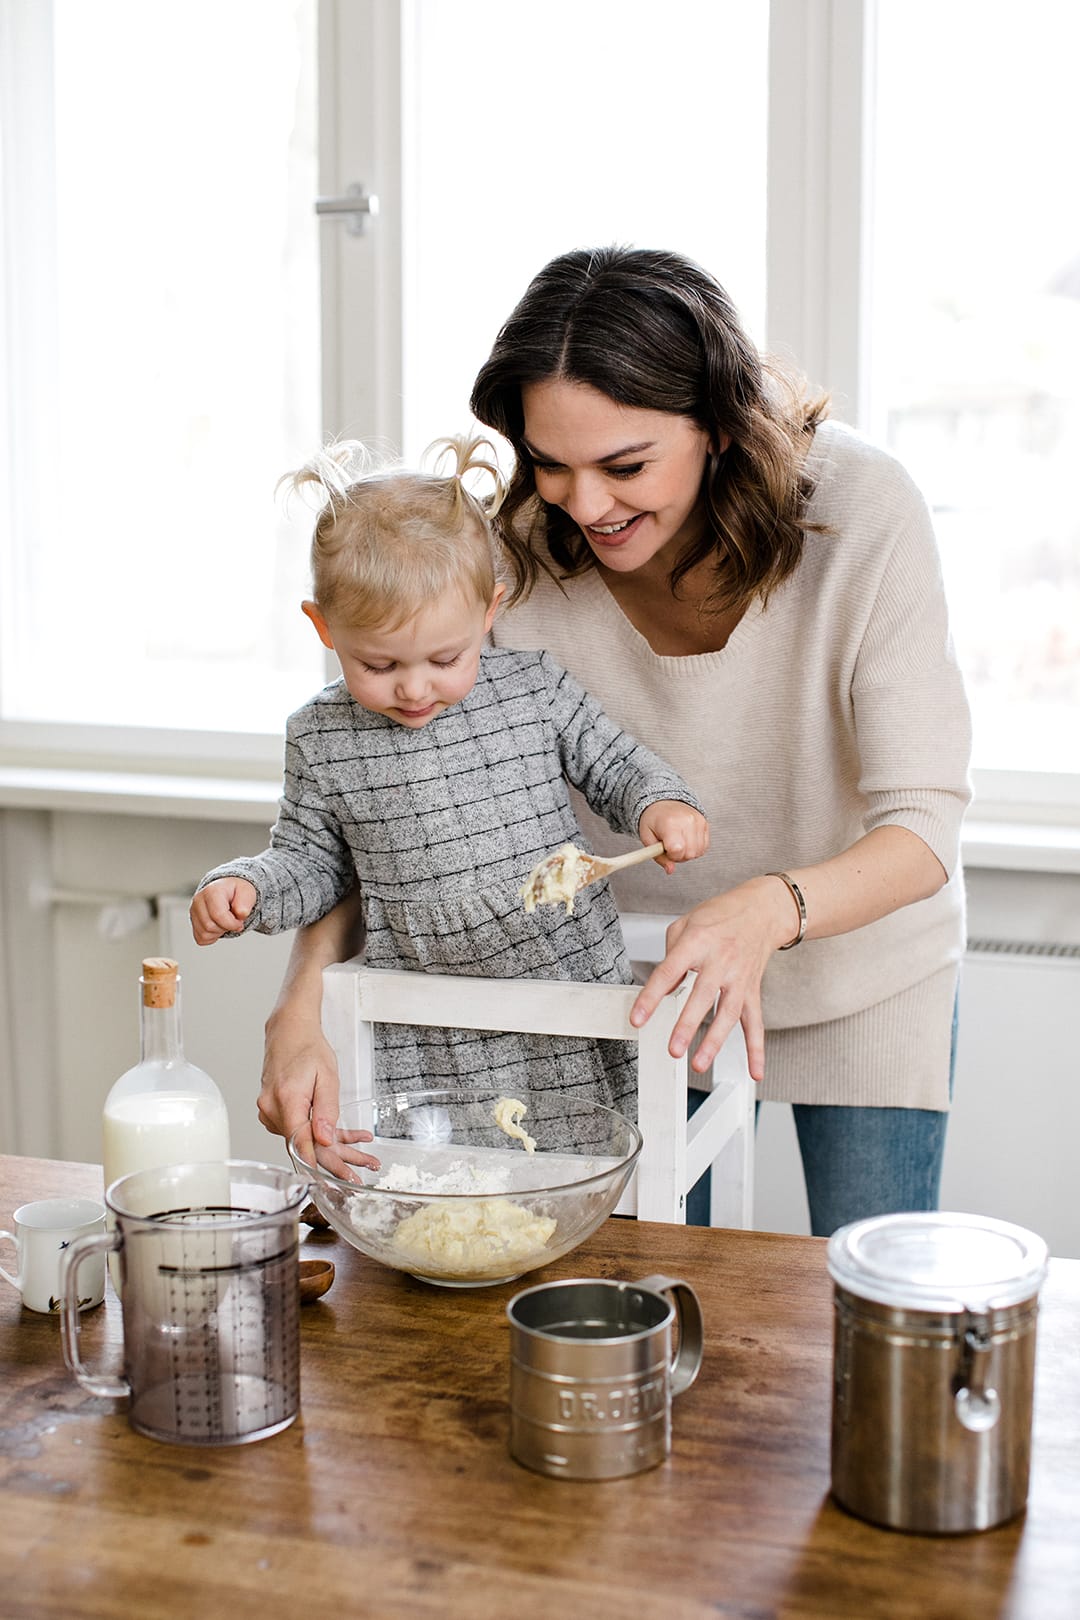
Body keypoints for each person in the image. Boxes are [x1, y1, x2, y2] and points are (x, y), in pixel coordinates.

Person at [256, 247, 972, 1236]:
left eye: (625, 466)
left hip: (860, 972)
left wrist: (767, 908)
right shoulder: (504, 556)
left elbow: (926, 828)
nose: (585, 505)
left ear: (720, 425)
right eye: (552, 464)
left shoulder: (861, 512)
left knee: (869, 1305)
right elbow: (379, 802)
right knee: (667, 1302)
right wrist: (300, 1005)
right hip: (625, 995)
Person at [190, 432, 708, 1148]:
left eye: (445, 657)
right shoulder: (320, 736)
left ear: (488, 611)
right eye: (378, 663)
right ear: (322, 627)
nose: (413, 686)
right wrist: (249, 887)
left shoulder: (532, 686)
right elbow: (311, 863)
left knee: (591, 1161)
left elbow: (616, 764)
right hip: (423, 1016)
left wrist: (661, 804)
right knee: (453, 1178)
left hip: (566, 982)